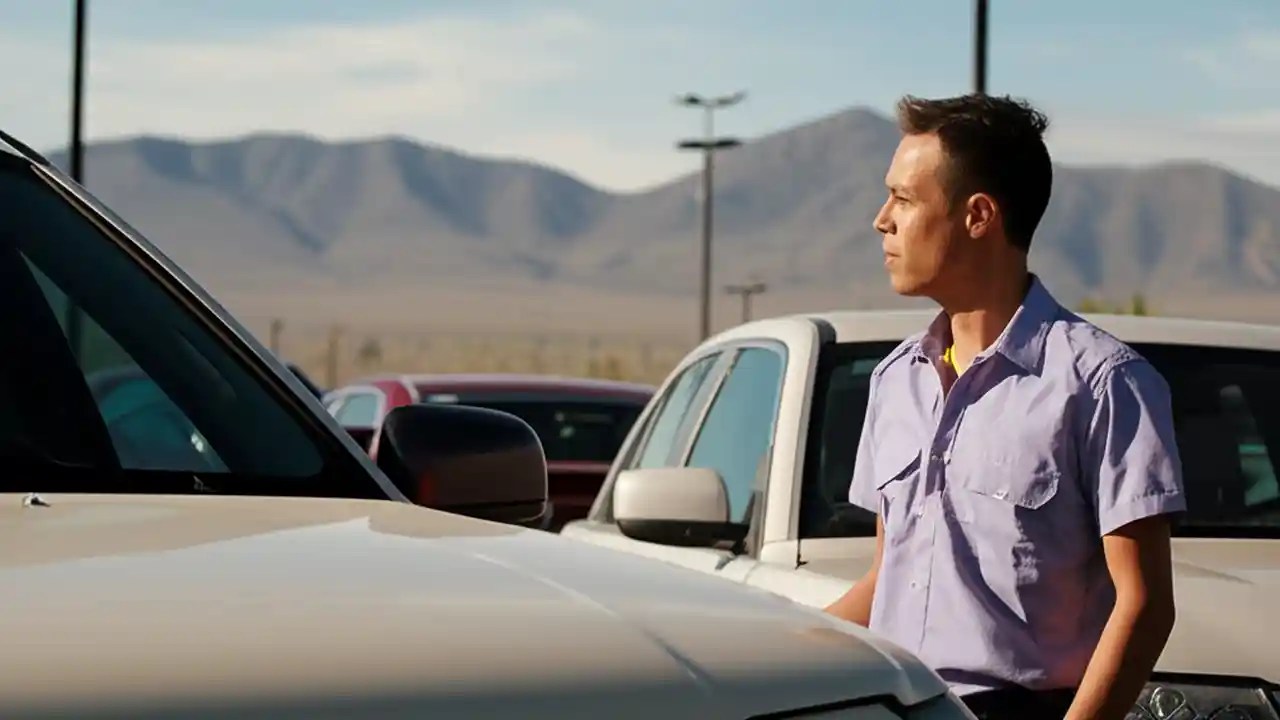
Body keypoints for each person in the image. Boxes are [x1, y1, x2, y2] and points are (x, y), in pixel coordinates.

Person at [823, 93, 1184, 720]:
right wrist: (762, 641)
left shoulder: (1103, 383)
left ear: (978, 215)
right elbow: (888, 580)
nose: (881, 220)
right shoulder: (893, 381)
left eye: (904, 199)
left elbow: (1145, 603)